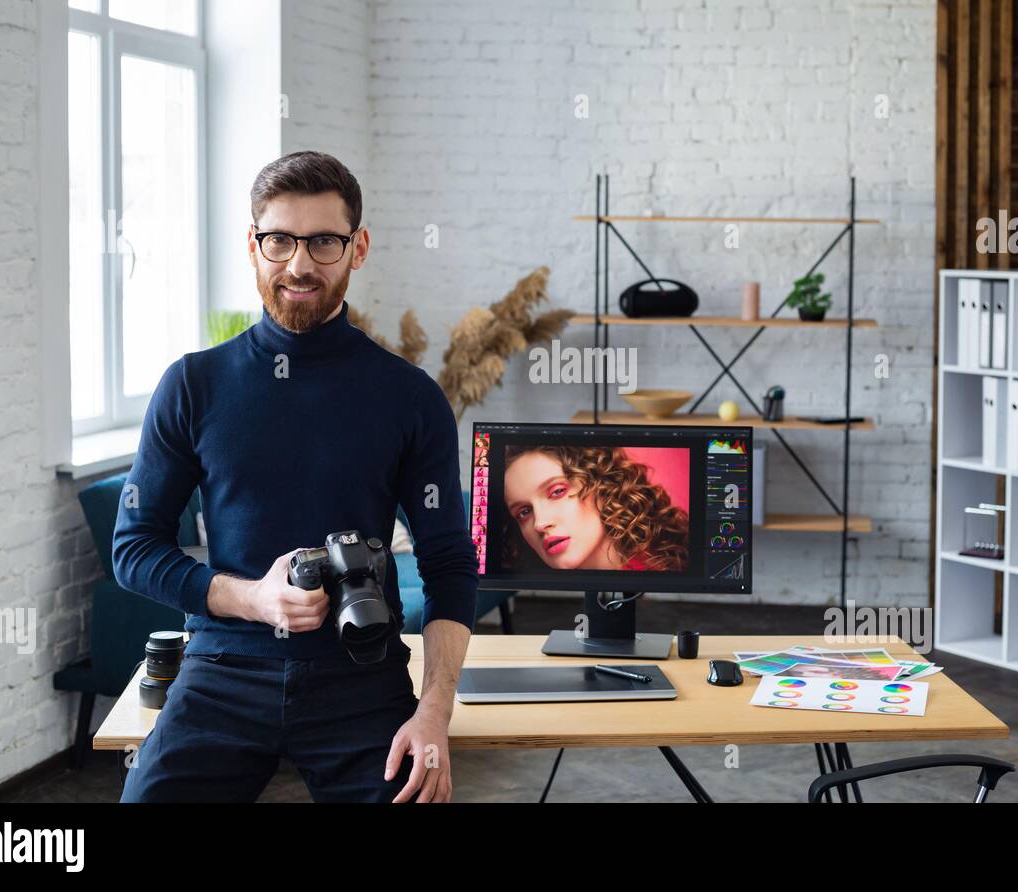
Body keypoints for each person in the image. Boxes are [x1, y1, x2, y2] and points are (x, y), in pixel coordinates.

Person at [113, 151, 476, 803]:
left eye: (323, 242)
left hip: (361, 676)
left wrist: (433, 714)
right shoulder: (193, 385)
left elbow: (449, 561)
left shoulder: (409, 397)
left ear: (358, 248)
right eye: (279, 240)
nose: (300, 264)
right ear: (252, 244)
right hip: (223, 668)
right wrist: (253, 598)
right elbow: (133, 550)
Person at [500, 446, 689, 572]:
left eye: (557, 492)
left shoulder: (665, 570)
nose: (540, 523)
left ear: (601, 484)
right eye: (524, 512)